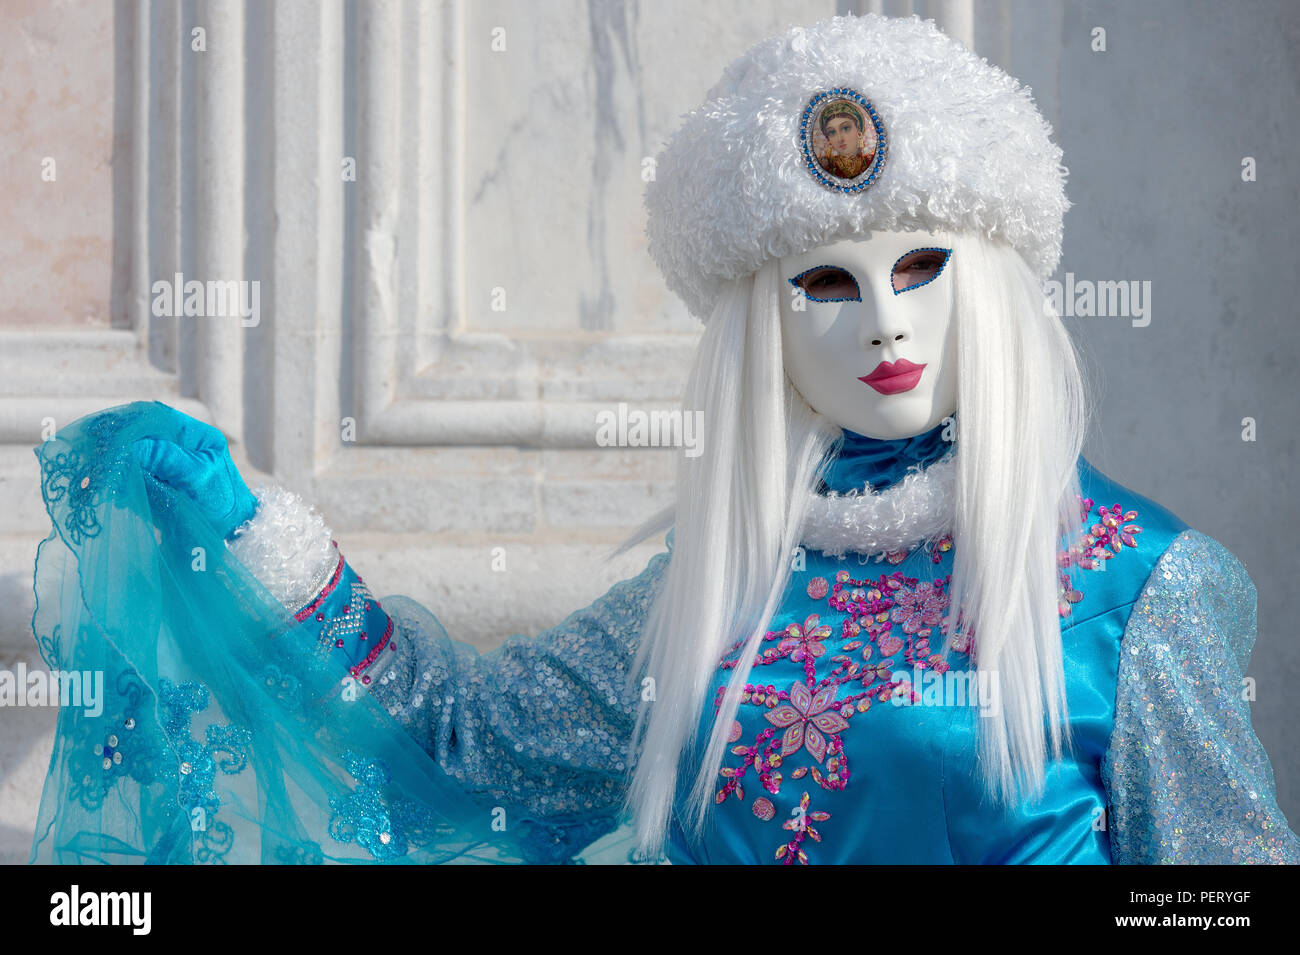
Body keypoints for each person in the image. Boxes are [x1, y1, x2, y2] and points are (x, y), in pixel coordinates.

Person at [27, 12, 1299, 865]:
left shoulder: (1136, 590)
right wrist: (245, 531)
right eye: (826, 281)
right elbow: (461, 740)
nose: (884, 320)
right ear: (760, 323)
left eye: (923, 264)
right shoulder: (710, 599)